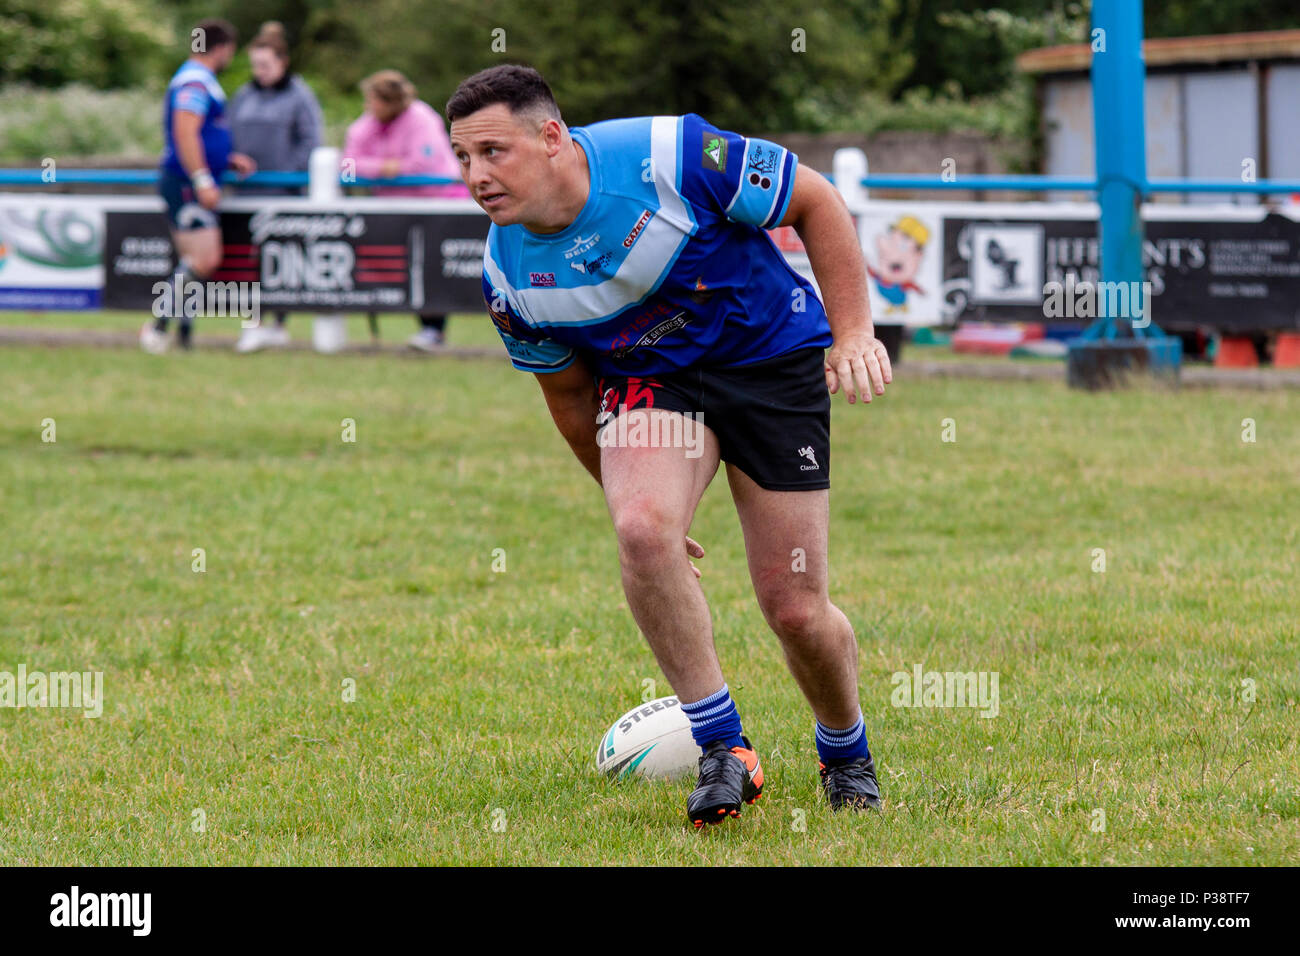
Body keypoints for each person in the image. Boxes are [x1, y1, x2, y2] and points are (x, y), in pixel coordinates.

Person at [447, 65, 893, 827]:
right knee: (640, 531)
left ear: (551, 137)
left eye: (493, 151)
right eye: (462, 158)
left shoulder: (671, 153)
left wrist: (853, 331)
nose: (476, 176)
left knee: (794, 610)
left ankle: (844, 749)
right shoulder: (505, 273)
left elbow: (816, 200)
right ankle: (726, 749)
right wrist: (629, 494)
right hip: (654, 382)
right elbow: (568, 395)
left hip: (770, 364)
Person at [141, 18, 256, 353]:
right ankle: (157, 325)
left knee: (192, 260)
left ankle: (183, 336)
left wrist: (225, 156)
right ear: (221, 49)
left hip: (187, 178)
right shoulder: (196, 81)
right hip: (187, 182)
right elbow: (185, 131)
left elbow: (199, 132)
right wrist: (203, 177)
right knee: (204, 259)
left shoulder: (197, 79)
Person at [343, 70, 468, 351]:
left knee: (429, 267)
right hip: (394, 209)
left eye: (375, 101)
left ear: (392, 102)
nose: (370, 107)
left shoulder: (422, 119)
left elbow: (421, 164)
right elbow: (348, 164)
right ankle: (422, 330)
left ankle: (433, 331)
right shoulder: (369, 123)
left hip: (437, 206)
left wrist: (378, 166)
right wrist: (386, 167)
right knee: (401, 266)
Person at [227, 21, 323, 354]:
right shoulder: (243, 95)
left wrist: (286, 174)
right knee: (247, 265)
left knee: (278, 263)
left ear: (283, 62)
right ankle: (251, 325)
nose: (260, 71)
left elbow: (312, 142)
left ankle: (279, 324)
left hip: (283, 194)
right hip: (245, 194)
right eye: (255, 65)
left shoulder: (300, 96)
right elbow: (227, 134)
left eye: (266, 65)